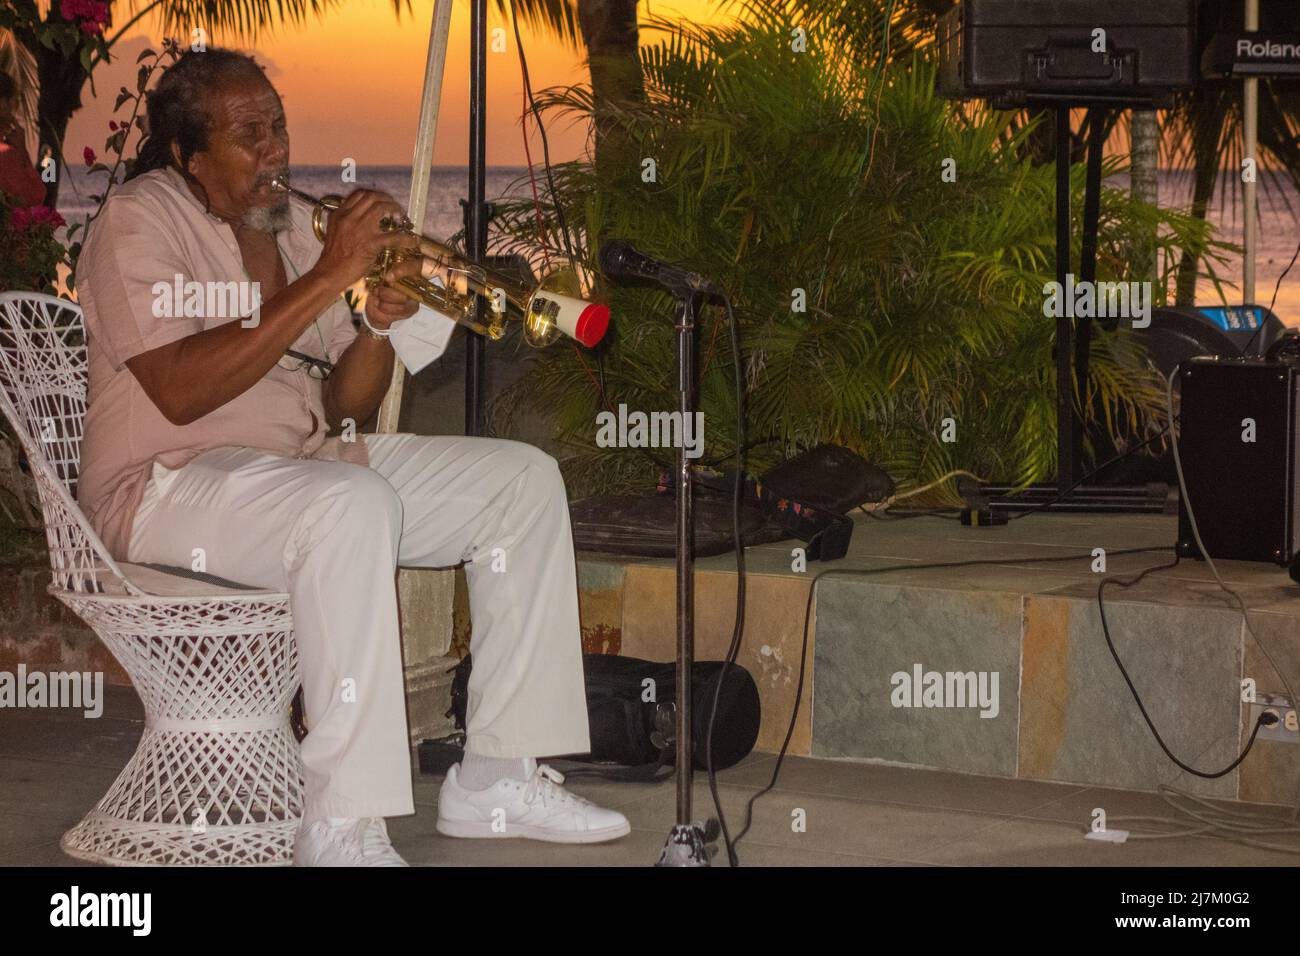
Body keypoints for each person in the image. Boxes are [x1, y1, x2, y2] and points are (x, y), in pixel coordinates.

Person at [75, 48, 629, 867]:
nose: (275, 150)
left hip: (301, 468)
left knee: (519, 480)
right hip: (166, 486)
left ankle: (496, 779)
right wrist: (334, 274)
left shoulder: (295, 226)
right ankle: (341, 822)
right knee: (349, 505)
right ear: (189, 156)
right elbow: (179, 390)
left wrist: (374, 316)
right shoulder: (137, 221)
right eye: (248, 134)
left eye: (279, 127)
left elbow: (345, 405)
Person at [0, 72, 45, 209]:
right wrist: (21, 151)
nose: (16, 108)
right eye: (14, 102)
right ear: (3, 104)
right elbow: (35, 196)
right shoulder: (6, 154)